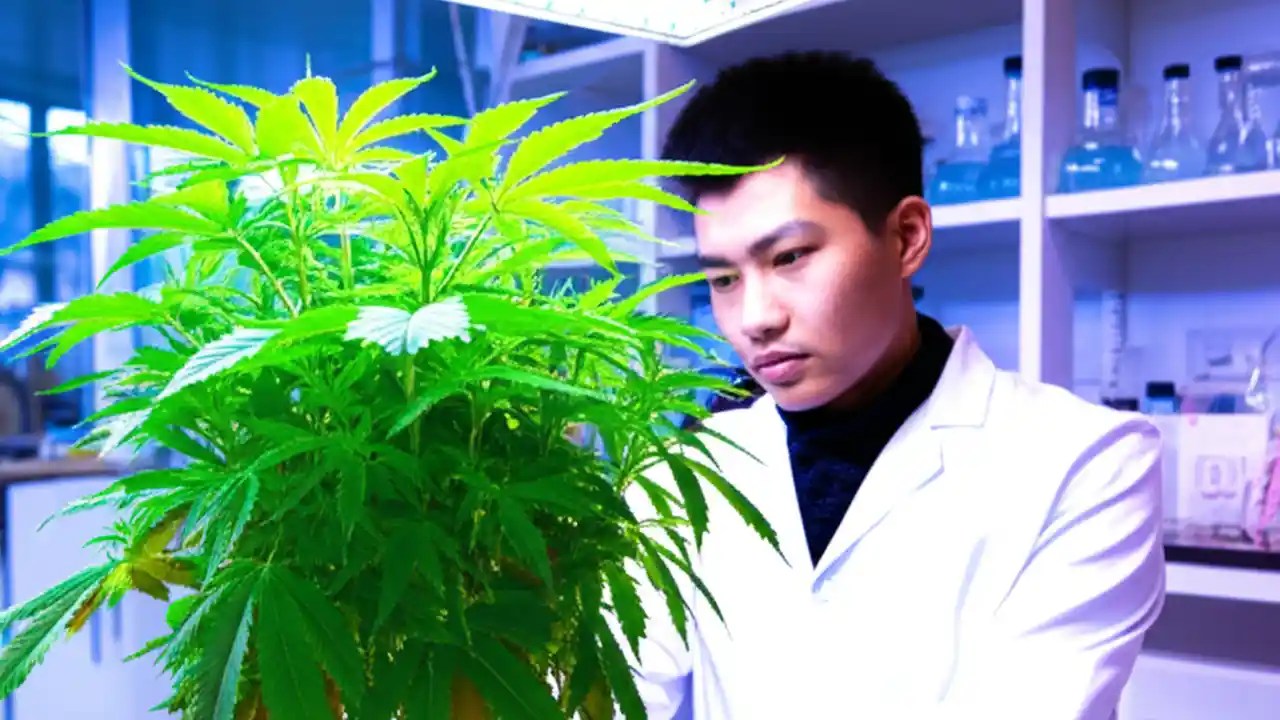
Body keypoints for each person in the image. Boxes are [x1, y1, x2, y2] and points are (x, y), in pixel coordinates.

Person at [624, 51, 1166, 719]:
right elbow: (615, 691)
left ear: (907, 236)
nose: (754, 318)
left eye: (790, 257)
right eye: (724, 278)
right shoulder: (693, 467)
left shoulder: (1087, 463)